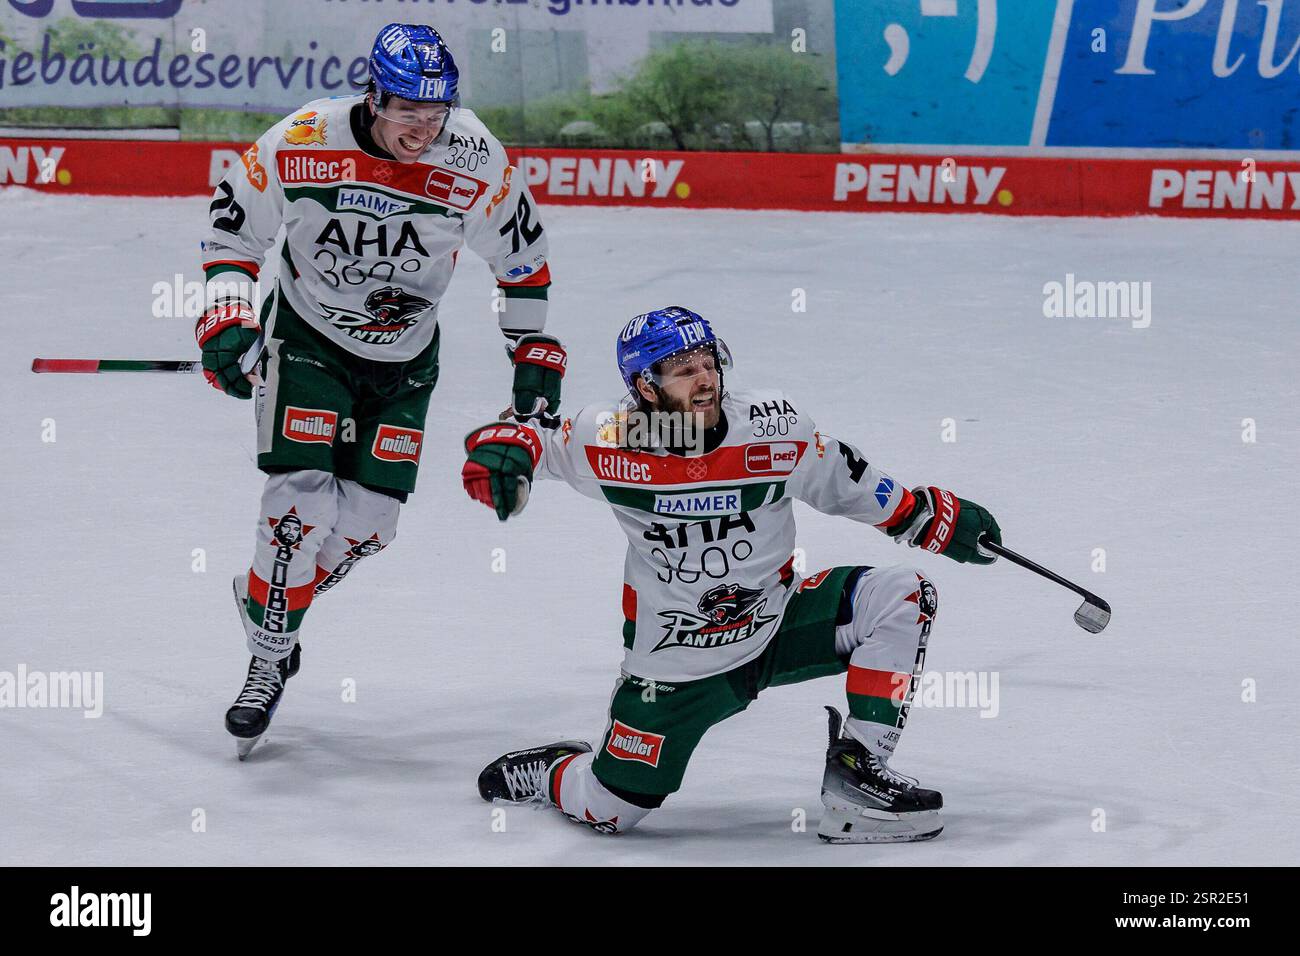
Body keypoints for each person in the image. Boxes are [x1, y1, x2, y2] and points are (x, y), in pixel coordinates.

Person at [462, 306, 1001, 842]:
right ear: (646, 388)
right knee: (609, 809)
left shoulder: (775, 429)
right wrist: (504, 449)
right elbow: (528, 446)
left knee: (901, 598)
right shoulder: (605, 439)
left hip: (777, 624)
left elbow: (848, 482)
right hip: (673, 671)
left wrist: (924, 515)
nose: (703, 379)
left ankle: (857, 779)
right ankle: (558, 771)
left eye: (707, 361)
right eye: (682, 369)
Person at [197, 22, 560, 758]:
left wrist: (531, 349)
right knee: (298, 501)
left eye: (436, 116)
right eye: (407, 115)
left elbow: (522, 261)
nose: (422, 132)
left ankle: (268, 600)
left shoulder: (475, 157)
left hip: (404, 362)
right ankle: (269, 660)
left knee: (369, 525)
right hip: (307, 342)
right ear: (374, 96)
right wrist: (228, 314)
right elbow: (234, 232)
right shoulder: (303, 139)